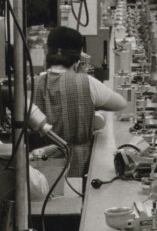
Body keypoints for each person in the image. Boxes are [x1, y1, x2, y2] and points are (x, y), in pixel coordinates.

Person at [27, 25, 126, 176]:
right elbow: (121, 103)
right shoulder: (86, 82)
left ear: (47, 54)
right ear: (78, 58)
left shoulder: (31, 85)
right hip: (78, 167)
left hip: (40, 170)